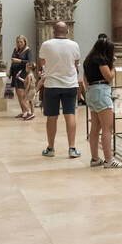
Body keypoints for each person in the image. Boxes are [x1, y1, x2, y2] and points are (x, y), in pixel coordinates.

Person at [38, 21, 82, 159]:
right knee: (70, 114)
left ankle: (50, 148)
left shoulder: (46, 44)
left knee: (52, 117)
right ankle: (72, 148)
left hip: (52, 84)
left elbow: (42, 62)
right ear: (67, 31)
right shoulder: (74, 45)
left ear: (53, 31)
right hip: (70, 84)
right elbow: (76, 64)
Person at [82, 34, 122, 169]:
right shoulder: (100, 59)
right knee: (107, 128)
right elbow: (109, 77)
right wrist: (114, 66)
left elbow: (85, 79)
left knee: (95, 127)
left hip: (91, 92)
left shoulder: (88, 60)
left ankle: (95, 158)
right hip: (101, 91)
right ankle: (109, 160)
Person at [8, 35, 34, 121]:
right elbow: (13, 61)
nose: (19, 44)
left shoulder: (28, 50)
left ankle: (28, 111)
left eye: (21, 42)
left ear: (25, 42)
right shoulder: (15, 50)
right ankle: (24, 112)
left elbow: (30, 62)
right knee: (18, 94)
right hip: (15, 73)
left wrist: (20, 61)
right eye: (18, 42)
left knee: (22, 94)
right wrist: (10, 71)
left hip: (23, 73)